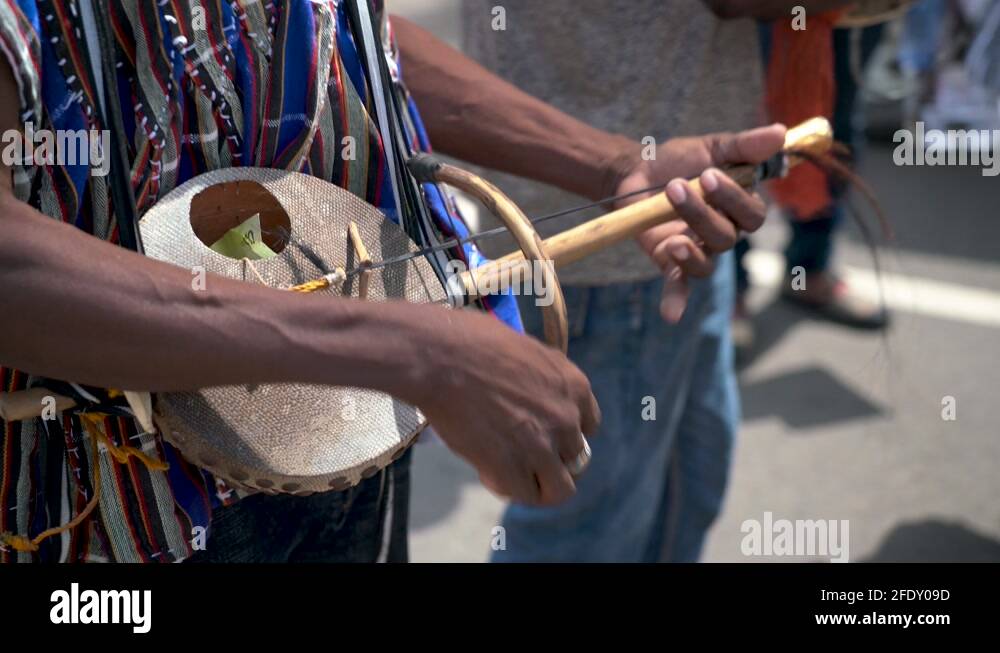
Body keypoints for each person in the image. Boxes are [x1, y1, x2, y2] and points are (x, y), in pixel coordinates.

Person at [0, 0, 782, 563]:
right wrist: (408, 349)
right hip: (112, 513)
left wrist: (617, 165)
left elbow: (353, 32)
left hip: (349, 464)